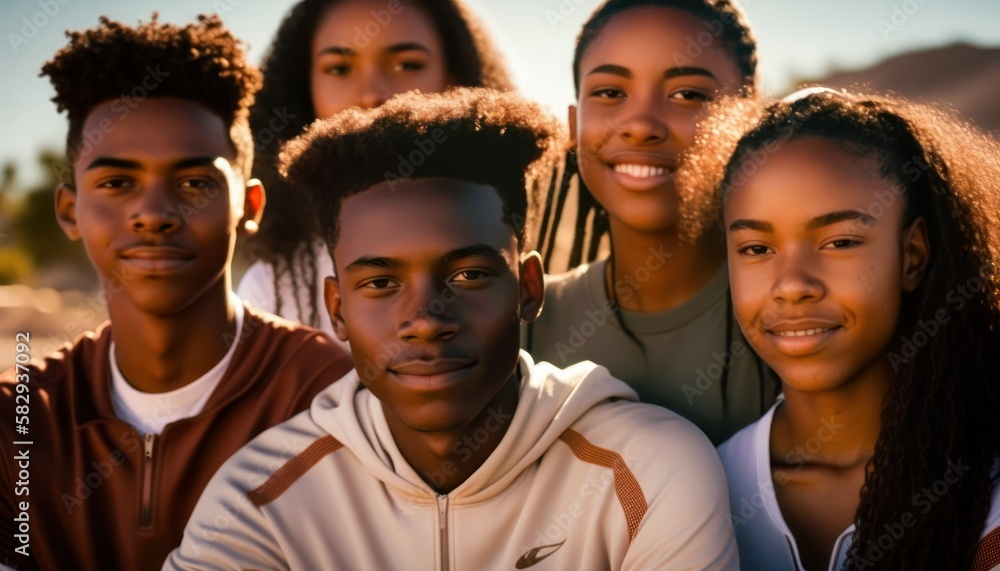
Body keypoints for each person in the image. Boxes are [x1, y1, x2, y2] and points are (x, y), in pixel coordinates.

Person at [164, 88, 738, 570]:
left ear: (529, 288)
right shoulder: (257, 500)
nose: (425, 322)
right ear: (335, 308)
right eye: (381, 284)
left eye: (467, 275)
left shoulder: (653, 468)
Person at [0, 15, 353, 570]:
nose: (154, 214)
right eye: (117, 183)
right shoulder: (18, 419)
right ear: (71, 211)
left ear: (250, 207)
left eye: (194, 183)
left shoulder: (329, 399)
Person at [679, 88, 1000, 570]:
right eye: (756, 249)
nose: (792, 286)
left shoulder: (986, 487)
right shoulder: (694, 489)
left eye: (840, 241)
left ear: (912, 254)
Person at [526, 0, 773, 444]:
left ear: (748, 118)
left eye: (688, 95)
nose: (640, 125)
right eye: (610, 93)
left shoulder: (795, 312)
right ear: (575, 123)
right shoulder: (523, 324)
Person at [236, 0, 513, 339]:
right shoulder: (272, 288)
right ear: (305, 87)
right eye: (339, 68)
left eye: (407, 64)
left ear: (454, 81)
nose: (371, 94)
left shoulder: (506, 247)